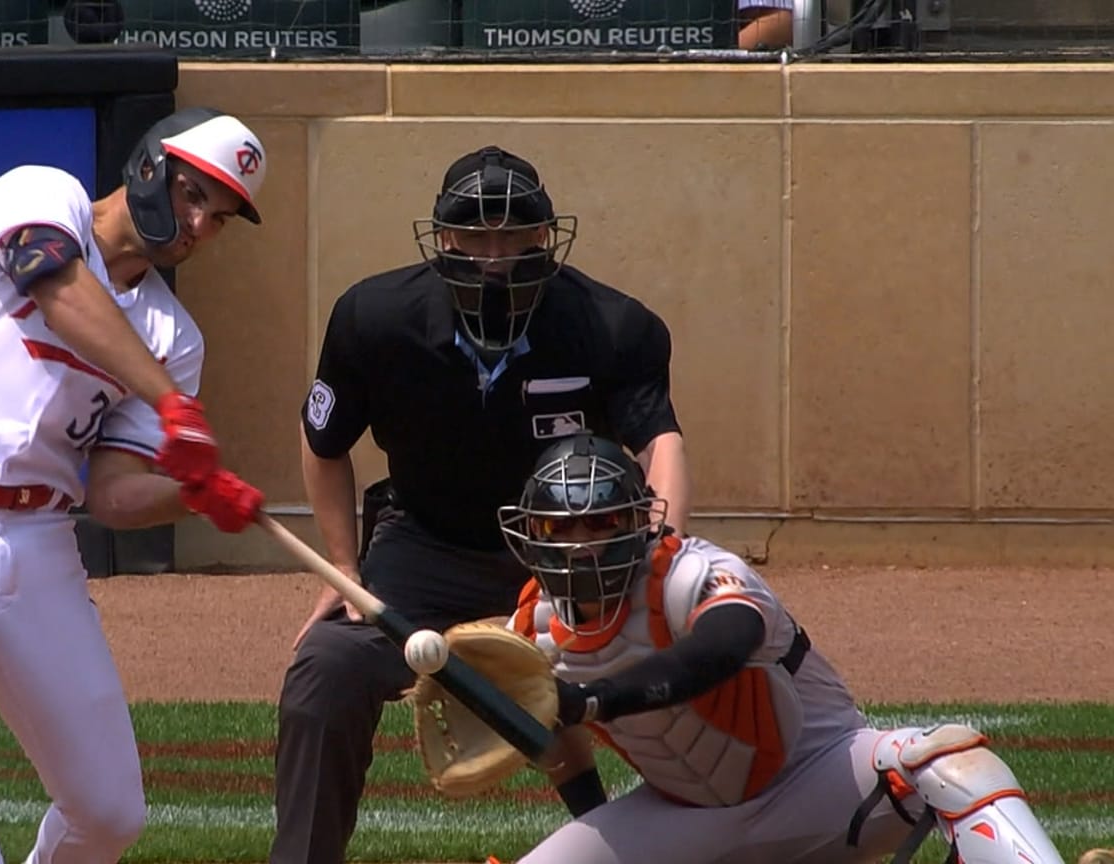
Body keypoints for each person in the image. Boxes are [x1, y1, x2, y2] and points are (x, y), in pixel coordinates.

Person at [0, 106, 268, 864]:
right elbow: (59, 287)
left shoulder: (177, 337)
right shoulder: (41, 194)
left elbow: (112, 495)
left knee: (108, 812)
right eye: (194, 192)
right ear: (148, 166)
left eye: (222, 215)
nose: (201, 224)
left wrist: (196, 493)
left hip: (39, 542)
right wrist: (174, 407)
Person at [273, 144, 692, 864]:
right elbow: (322, 441)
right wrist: (342, 567)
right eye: (474, 236)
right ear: (442, 241)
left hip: (566, 557)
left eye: (512, 235)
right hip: (422, 550)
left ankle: (675, 841)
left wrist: (659, 559)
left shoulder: (610, 325)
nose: (493, 256)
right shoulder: (374, 318)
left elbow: (662, 445)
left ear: (544, 237)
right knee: (325, 670)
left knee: (680, 677)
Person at [493, 432, 1076, 864]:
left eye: (603, 522)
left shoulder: (693, 571)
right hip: (683, 816)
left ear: (641, 520)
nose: (580, 546)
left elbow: (723, 646)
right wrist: (598, 826)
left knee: (952, 762)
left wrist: (596, 698)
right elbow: (562, 749)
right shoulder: (534, 625)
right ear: (531, 533)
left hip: (821, 781)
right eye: (558, 528)